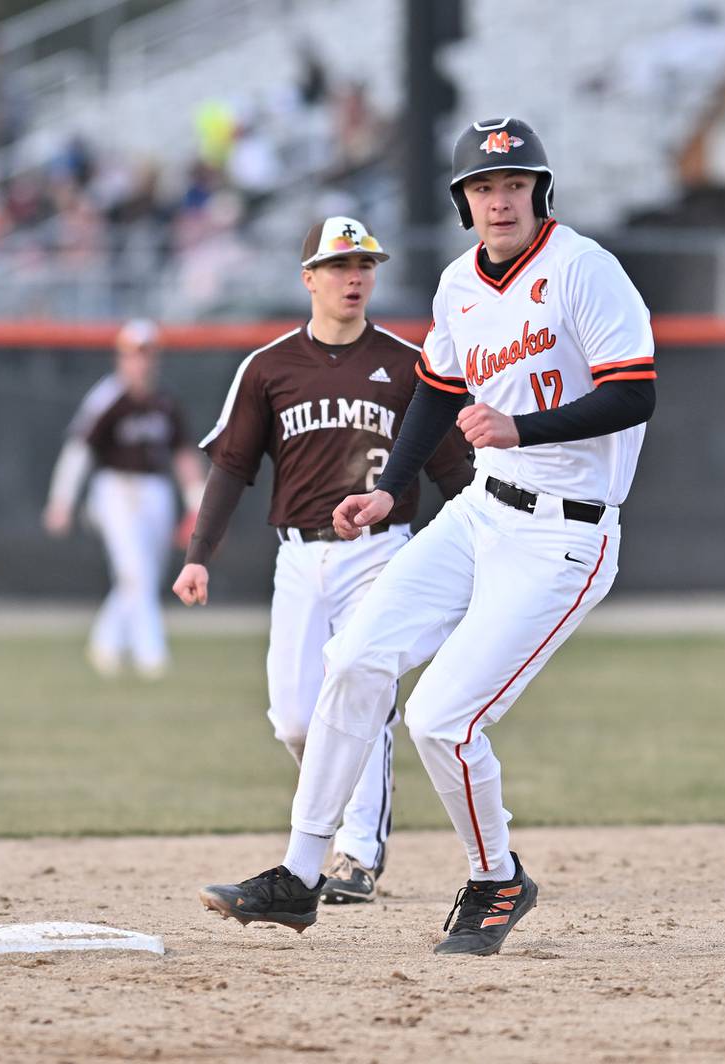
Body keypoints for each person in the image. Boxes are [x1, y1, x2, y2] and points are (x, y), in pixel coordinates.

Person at [199, 118, 657, 954]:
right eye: (484, 187)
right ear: (463, 202)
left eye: (515, 183)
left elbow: (634, 394)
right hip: (482, 510)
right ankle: (301, 876)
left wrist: (523, 427)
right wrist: (385, 492)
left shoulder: (585, 269)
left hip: (565, 537)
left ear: (539, 192)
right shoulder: (457, 285)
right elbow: (437, 394)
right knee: (353, 660)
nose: (500, 199)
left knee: (443, 719)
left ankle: (496, 877)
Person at [174, 216, 473, 904]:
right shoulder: (270, 367)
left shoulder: (408, 366)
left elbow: (455, 471)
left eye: (365, 265)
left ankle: (358, 855)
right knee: (295, 720)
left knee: (358, 685)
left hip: (380, 552)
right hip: (298, 558)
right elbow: (232, 466)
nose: (355, 277)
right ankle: (340, 801)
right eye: (339, 266)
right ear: (308, 278)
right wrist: (199, 556)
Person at [43, 319, 206, 678]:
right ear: (121, 357)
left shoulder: (165, 402)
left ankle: (105, 644)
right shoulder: (108, 398)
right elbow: (78, 451)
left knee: (145, 574)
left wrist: (197, 502)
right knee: (134, 571)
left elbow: (183, 455)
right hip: (115, 488)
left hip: (156, 491)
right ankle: (152, 656)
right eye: (133, 354)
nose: (140, 362)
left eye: (147, 354)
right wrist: (61, 500)